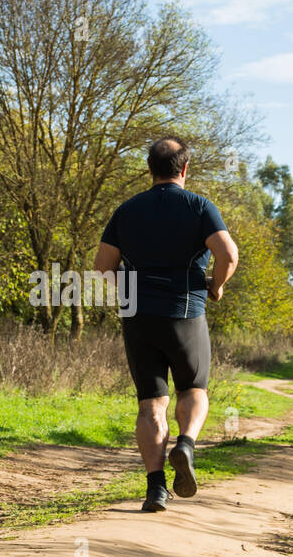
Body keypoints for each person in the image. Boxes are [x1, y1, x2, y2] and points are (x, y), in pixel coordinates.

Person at [93, 136, 239, 512]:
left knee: (150, 405)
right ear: (185, 168)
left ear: (149, 169)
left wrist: (130, 292)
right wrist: (216, 287)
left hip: (138, 317)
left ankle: (156, 489)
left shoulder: (126, 211)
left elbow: (103, 267)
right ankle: (186, 446)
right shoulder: (199, 207)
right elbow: (228, 255)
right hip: (185, 313)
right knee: (193, 391)